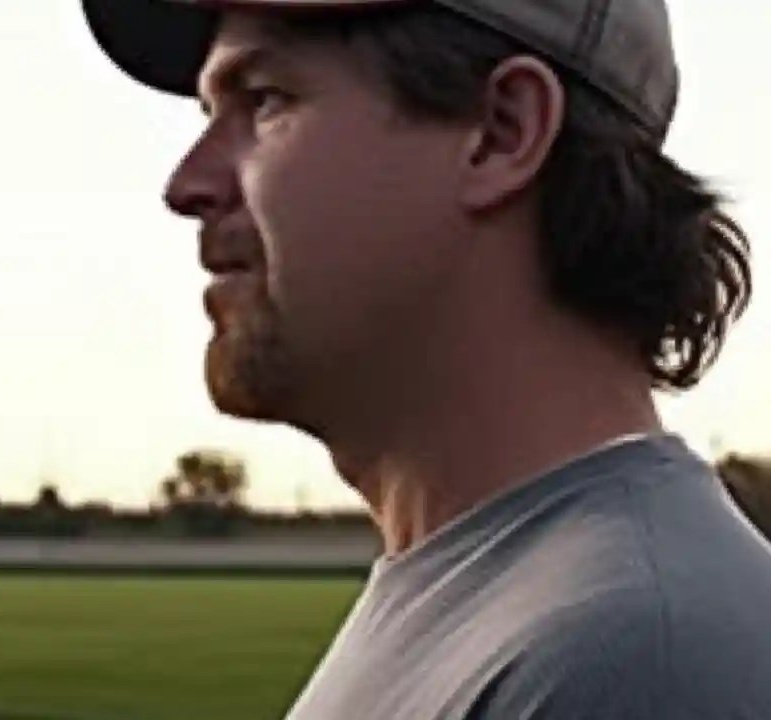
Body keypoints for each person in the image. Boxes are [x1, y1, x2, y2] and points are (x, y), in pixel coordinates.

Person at [79, 1, 771, 718]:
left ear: (501, 133)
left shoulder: (640, 661)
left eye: (264, 100)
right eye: (209, 114)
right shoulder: (496, 604)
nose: (187, 185)